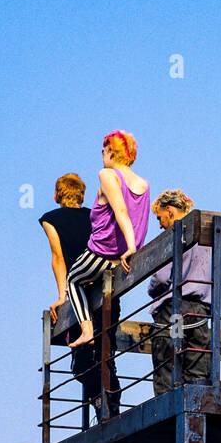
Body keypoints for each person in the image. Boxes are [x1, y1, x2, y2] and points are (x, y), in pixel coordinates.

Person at [64, 130, 152, 412]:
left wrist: (128, 246)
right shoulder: (142, 183)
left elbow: (122, 212)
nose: (101, 157)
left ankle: (87, 329)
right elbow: (138, 218)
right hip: (121, 262)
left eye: (103, 151)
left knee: (73, 278)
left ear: (111, 152)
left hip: (103, 254)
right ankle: (108, 393)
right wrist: (135, 245)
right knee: (105, 307)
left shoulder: (107, 176)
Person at [38, 174, 103, 423]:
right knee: (105, 352)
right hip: (104, 291)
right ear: (82, 196)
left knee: (80, 363)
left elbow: (58, 258)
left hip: (80, 297)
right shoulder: (93, 215)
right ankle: (110, 405)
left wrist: (62, 295)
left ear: (57, 195)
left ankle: (102, 404)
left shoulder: (50, 219)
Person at [148, 190, 212, 393]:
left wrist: (151, 290)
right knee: (197, 367)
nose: (160, 224)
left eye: (160, 217)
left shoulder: (174, 235)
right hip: (200, 312)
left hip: (174, 313)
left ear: (169, 211)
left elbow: (160, 277)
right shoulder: (206, 236)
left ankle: (167, 417)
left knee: (168, 364)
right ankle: (195, 409)